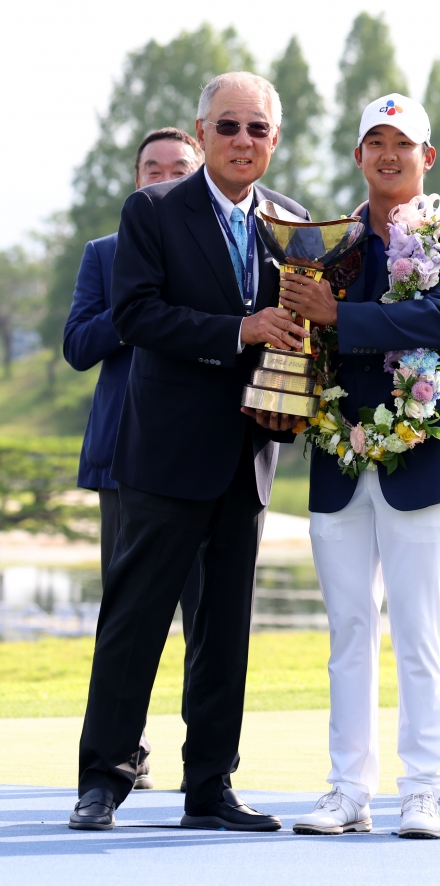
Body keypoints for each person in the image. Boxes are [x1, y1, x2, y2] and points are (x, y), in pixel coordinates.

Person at [69, 71, 309, 832]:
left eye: (258, 129)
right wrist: (239, 330)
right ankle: (103, 779)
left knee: (225, 629)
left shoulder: (297, 223)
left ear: (276, 140)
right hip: (165, 449)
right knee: (134, 618)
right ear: (201, 132)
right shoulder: (152, 209)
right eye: (229, 126)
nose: (244, 141)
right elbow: (136, 314)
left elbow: (304, 331)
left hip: (251, 450)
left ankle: (209, 785)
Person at [273, 94, 440, 839]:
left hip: (421, 453)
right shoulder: (325, 242)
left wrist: (341, 318)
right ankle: (346, 789)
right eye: (375, 141)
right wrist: (301, 311)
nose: (389, 154)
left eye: (404, 142)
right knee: (346, 627)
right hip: (338, 449)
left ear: (426, 158)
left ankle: (422, 790)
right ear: (359, 155)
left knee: (419, 628)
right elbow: (299, 327)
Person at [63, 128, 203, 792]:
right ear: (136, 177)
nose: (165, 177)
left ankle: (207, 765)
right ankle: (124, 754)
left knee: (208, 619)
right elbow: (77, 345)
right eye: (153, 168)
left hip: (209, 457)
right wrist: (138, 310)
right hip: (124, 459)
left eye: (180, 167)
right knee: (128, 613)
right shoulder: (105, 253)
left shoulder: (226, 248)